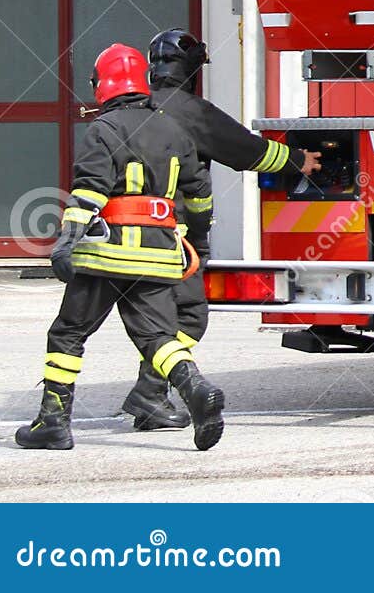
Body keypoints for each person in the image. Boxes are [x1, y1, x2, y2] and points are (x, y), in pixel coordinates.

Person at [16, 44, 226, 451]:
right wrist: (198, 241)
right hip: (159, 255)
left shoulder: (103, 129)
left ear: (102, 84)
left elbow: (90, 190)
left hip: (106, 254)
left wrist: (66, 241)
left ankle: (53, 422)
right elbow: (199, 196)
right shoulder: (175, 131)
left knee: (68, 333)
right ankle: (196, 389)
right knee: (158, 337)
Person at [118, 29, 321, 431]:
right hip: (173, 238)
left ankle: (135, 400)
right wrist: (298, 160)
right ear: (193, 68)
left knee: (94, 324)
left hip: (124, 236)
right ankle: (149, 394)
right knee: (188, 315)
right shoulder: (190, 111)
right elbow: (245, 150)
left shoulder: (132, 109)